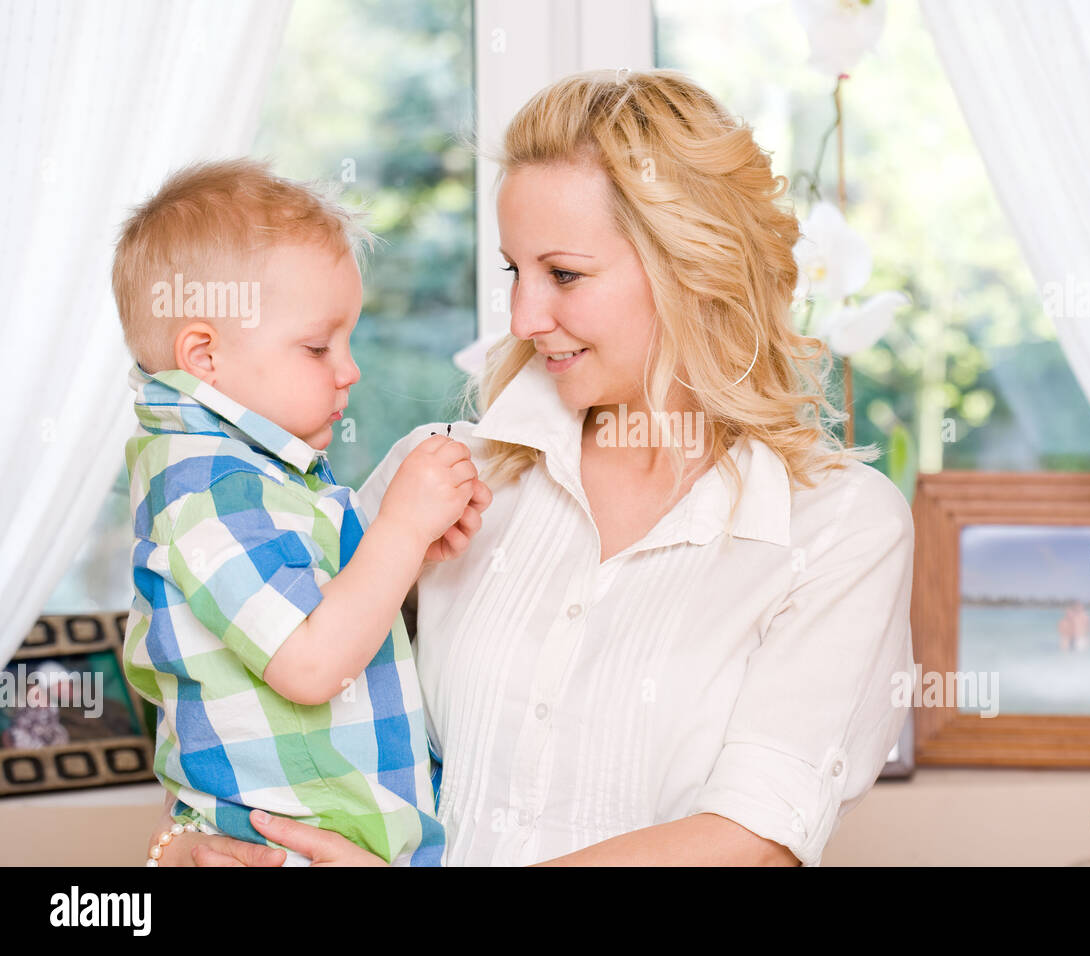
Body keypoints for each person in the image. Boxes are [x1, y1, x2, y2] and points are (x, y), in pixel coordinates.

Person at [154, 68, 915, 867]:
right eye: (515, 271)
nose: (522, 317)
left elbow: (751, 839)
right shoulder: (436, 476)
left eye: (564, 275)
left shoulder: (836, 527)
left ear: (692, 269)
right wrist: (180, 847)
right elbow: (244, 680)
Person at [114, 159, 491, 866]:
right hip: (298, 846)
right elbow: (311, 664)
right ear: (204, 356)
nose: (349, 370)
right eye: (318, 346)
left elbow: (311, 605)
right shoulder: (210, 489)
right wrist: (401, 532)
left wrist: (399, 551)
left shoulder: (257, 478)